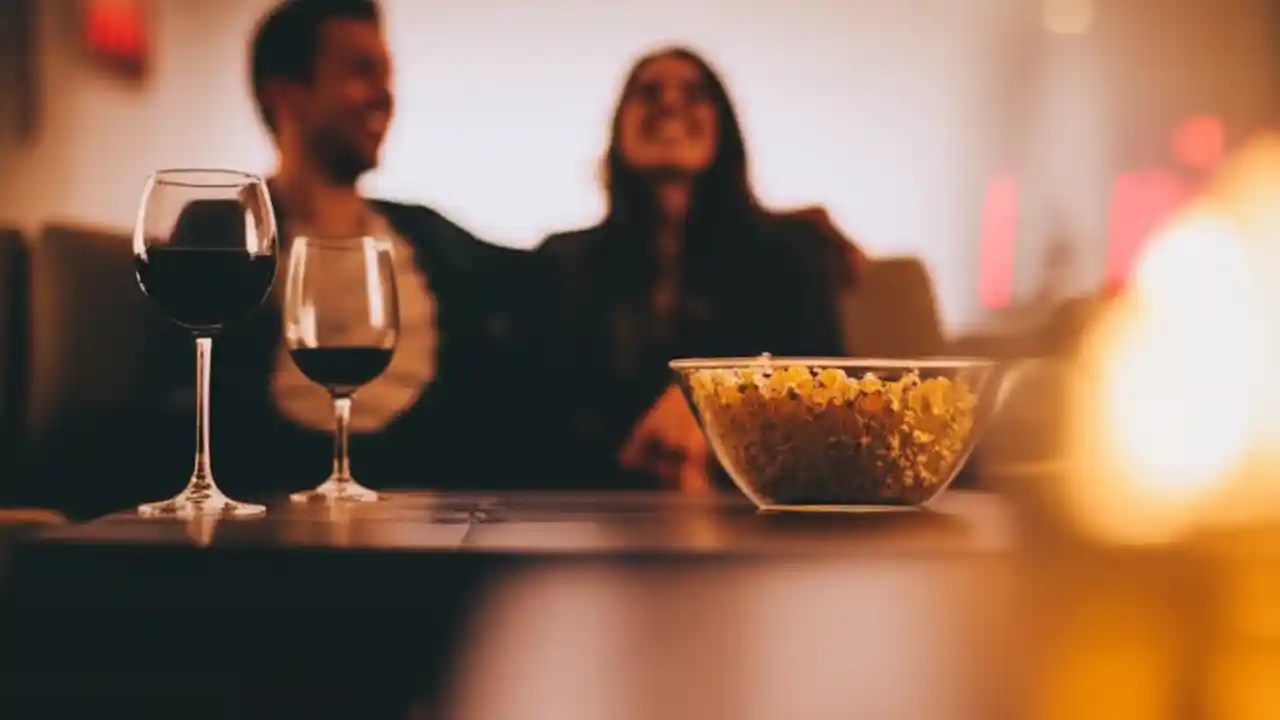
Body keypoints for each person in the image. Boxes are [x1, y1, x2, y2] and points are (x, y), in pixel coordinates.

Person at [28, 0, 552, 517]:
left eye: (387, 74)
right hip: (273, 491)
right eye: (360, 71)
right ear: (287, 94)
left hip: (428, 487)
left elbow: (551, 278)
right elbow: (181, 393)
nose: (386, 95)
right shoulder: (220, 229)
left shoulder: (426, 233)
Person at [540, 47, 860, 492]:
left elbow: (827, 398)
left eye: (694, 93)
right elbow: (542, 410)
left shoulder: (792, 253)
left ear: (723, 127)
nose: (669, 104)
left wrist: (714, 423)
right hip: (600, 507)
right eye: (648, 92)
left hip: (754, 516)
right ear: (619, 129)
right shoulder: (562, 261)